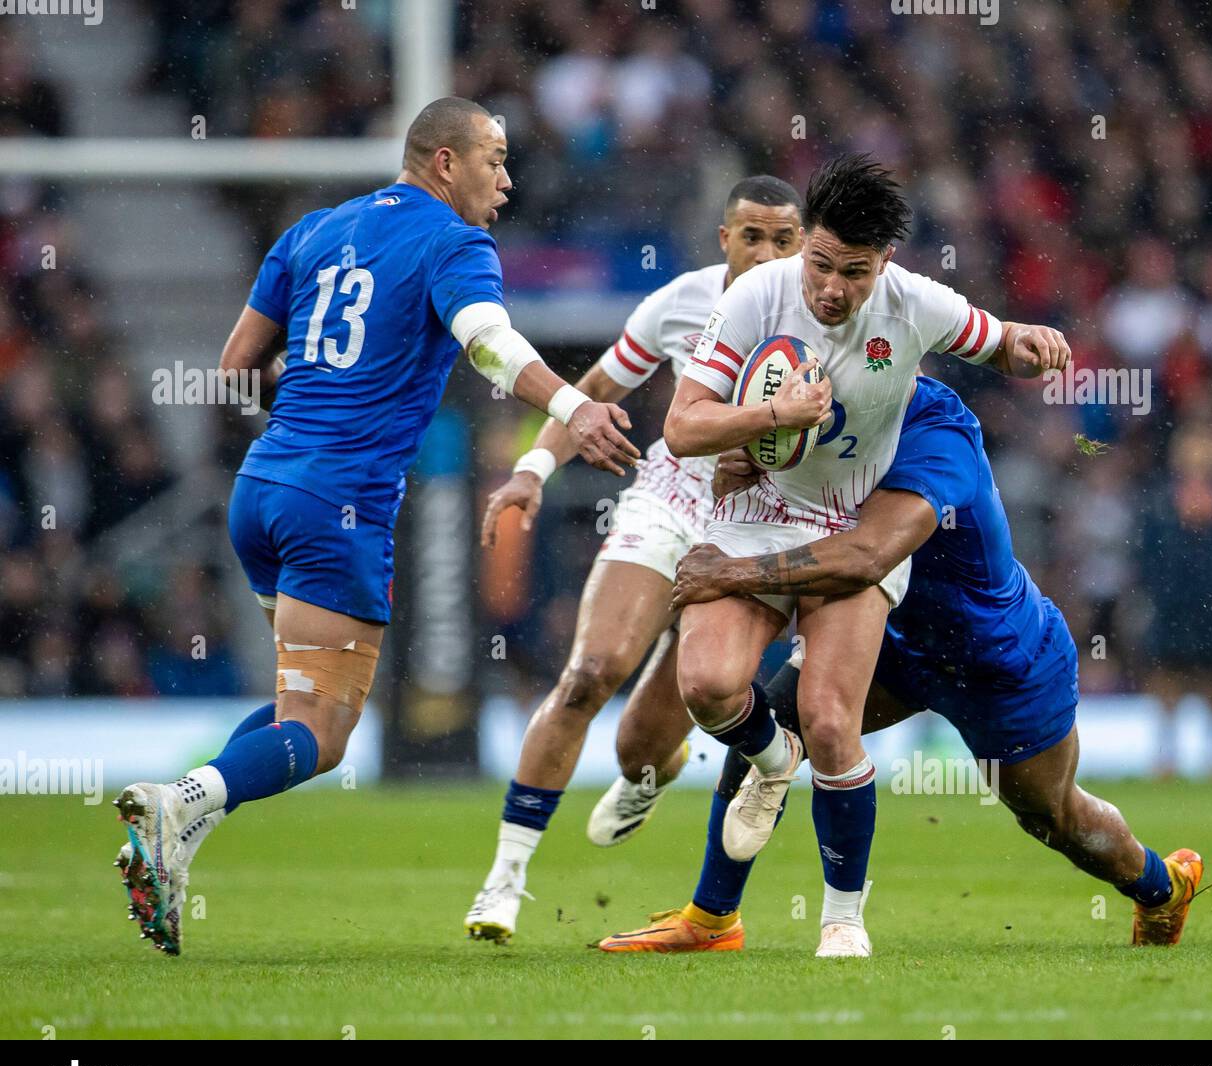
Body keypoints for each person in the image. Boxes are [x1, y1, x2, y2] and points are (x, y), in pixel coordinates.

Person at [113, 96, 638, 955]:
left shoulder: (315, 230)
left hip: (263, 489)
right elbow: (488, 340)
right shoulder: (454, 242)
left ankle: (177, 835)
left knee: (296, 707)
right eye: (493, 160)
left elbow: (236, 366)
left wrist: (320, 397)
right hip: (338, 505)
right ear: (443, 163)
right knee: (322, 737)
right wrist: (576, 406)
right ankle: (179, 804)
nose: (505, 180)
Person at [598, 379, 1203, 956]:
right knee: (777, 727)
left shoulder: (939, 433)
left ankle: (1160, 886)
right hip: (899, 642)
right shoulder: (824, 415)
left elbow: (865, 556)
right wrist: (746, 472)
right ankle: (712, 918)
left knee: (1053, 817)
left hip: (999, 661)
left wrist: (733, 573)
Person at [659, 153, 1071, 956]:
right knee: (708, 687)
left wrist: (1034, 344)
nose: (831, 288)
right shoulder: (756, 295)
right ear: (803, 245)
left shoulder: (915, 305)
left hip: (846, 523)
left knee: (830, 719)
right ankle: (772, 762)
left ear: (884, 263)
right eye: (819, 263)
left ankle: (843, 920)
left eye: (853, 272)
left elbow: (1000, 342)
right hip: (755, 511)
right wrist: (769, 415)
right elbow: (683, 427)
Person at [465, 176, 805, 942]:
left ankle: (648, 772)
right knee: (589, 674)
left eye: (783, 239)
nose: (767, 252)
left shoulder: (824, 314)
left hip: (755, 526)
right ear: (724, 240)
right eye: (751, 236)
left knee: (639, 748)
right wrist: (533, 470)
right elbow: (590, 389)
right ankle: (504, 880)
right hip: (670, 499)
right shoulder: (681, 300)